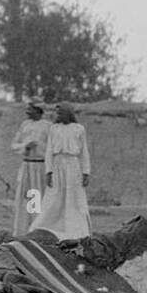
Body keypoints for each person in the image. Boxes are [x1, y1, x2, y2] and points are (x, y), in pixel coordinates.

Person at [38, 102, 92, 239]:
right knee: (54, 195)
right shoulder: (54, 129)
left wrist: (86, 172)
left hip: (73, 165)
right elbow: (49, 151)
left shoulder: (79, 129)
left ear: (68, 113)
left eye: (61, 113)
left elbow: (84, 152)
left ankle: (75, 230)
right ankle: (47, 227)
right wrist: (48, 171)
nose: (58, 115)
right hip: (57, 165)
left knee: (73, 197)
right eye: (57, 113)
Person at [10, 100, 52, 236]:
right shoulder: (25, 125)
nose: (27, 112)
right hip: (27, 165)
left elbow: (52, 148)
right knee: (25, 197)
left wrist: (39, 147)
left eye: (30, 109)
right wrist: (25, 146)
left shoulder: (47, 126)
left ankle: (36, 229)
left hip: (39, 167)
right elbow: (14, 145)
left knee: (37, 196)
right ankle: (23, 229)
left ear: (38, 110)